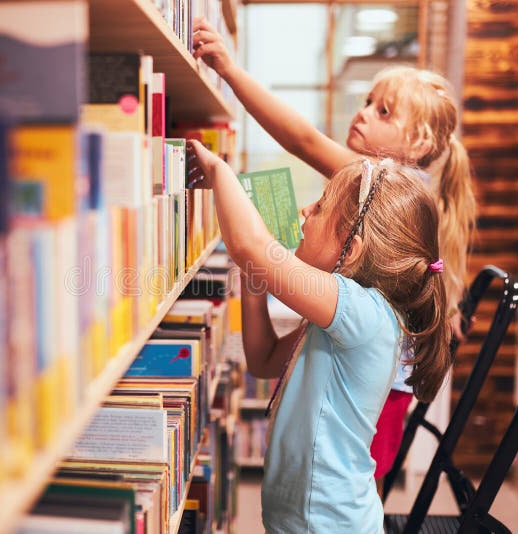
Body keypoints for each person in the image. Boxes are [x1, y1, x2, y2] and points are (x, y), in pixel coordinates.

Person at [192, 17, 476, 486]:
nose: (363, 113)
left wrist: (230, 70)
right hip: (378, 374)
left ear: (418, 143)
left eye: (384, 112)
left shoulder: (382, 185)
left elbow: (301, 139)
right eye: (367, 103)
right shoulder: (404, 193)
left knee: (351, 478)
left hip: (375, 380)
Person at [186, 145, 452, 532]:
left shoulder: (364, 314)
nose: (305, 212)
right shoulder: (342, 318)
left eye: (320, 207)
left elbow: (252, 246)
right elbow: (263, 360)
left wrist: (218, 169)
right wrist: (253, 279)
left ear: (351, 250)